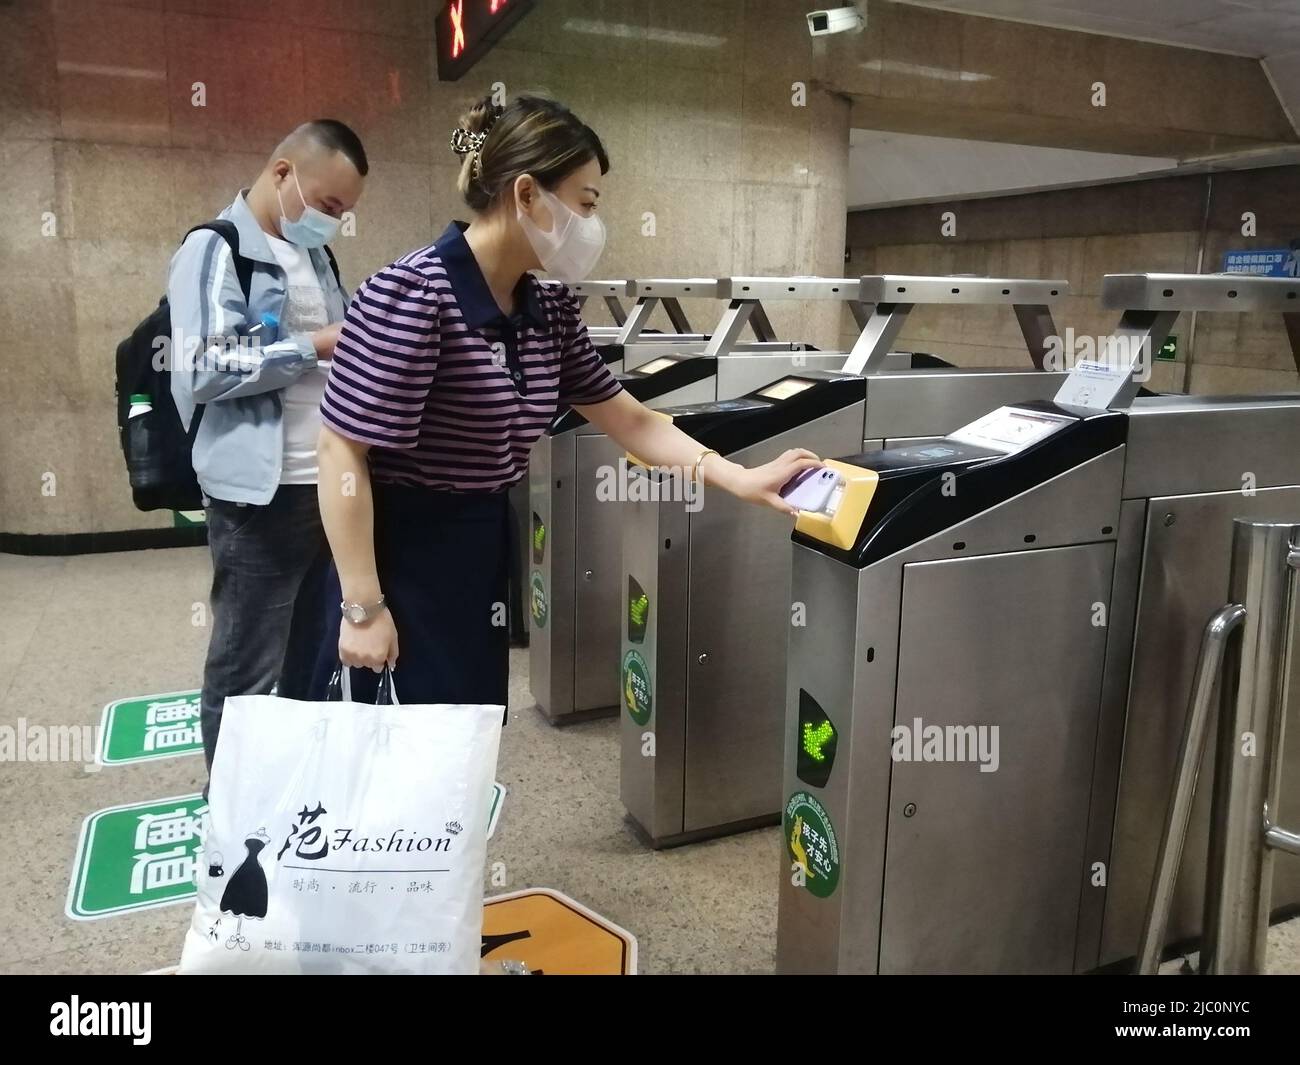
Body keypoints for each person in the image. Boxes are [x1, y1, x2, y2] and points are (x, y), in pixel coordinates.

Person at [313, 95, 816, 707]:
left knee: (461, 732)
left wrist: (738, 477)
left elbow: (630, 419)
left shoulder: (547, 308)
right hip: (394, 550)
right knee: (392, 738)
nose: (591, 225)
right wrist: (363, 607)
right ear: (527, 194)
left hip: (478, 542)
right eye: (586, 203)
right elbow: (341, 451)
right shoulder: (413, 294)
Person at [168, 120, 367, 780]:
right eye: (328, 204)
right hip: (259, 496)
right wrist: (314, 345)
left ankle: (293, 792)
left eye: (343, 212)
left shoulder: (317, 255)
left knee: (313, 650)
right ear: (283, 172)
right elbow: (202, 367)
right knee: (246, 665)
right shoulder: (215, 248)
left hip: (327, 486)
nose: (332, 221)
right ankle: (231, 807)